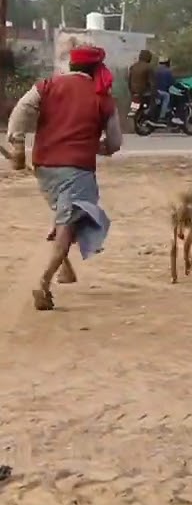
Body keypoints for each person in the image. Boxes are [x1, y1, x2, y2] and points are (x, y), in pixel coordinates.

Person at [5, 44, 122, 311]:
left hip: (44, 168)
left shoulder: (46, 86)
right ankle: (43, 283)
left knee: (66, 216)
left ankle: (65, 270)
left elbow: (20, 113)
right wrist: (98, 145)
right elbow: (115, 142)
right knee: (69, 222)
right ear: (95, 68)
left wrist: (18, 145)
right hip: (77, 168)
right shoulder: (103, 99)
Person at [127, 49, 155, 119]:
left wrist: (131, 91)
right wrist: (154, 92)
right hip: (144, 92)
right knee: (155, 102)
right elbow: (151, 82)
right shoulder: (149, 67)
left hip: (134, 92)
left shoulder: (133, 66)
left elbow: (129, 80)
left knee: (134, 108)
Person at [154, 56, 181, 125]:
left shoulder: (156, 70)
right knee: (167, 96)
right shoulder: (168, 71)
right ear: (167, 62)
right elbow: (172, 82)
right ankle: (162, 116)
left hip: (155, 91)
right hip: (162, 91)